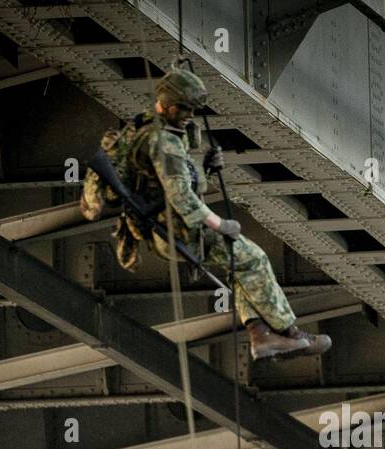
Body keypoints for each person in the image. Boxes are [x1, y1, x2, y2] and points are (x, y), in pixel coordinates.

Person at [121, 67, 330, 361]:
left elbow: (172, 184)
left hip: (167, 228)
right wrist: (221, 224)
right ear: (170, 106)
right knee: (253, 259)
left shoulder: (154, 131)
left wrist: (204, 169)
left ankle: (262, 337)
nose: (190, 116)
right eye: (186, 110)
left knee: (241, 267)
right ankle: (290, 334)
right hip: (176, 231)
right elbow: (181, 197)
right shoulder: (165, 142)